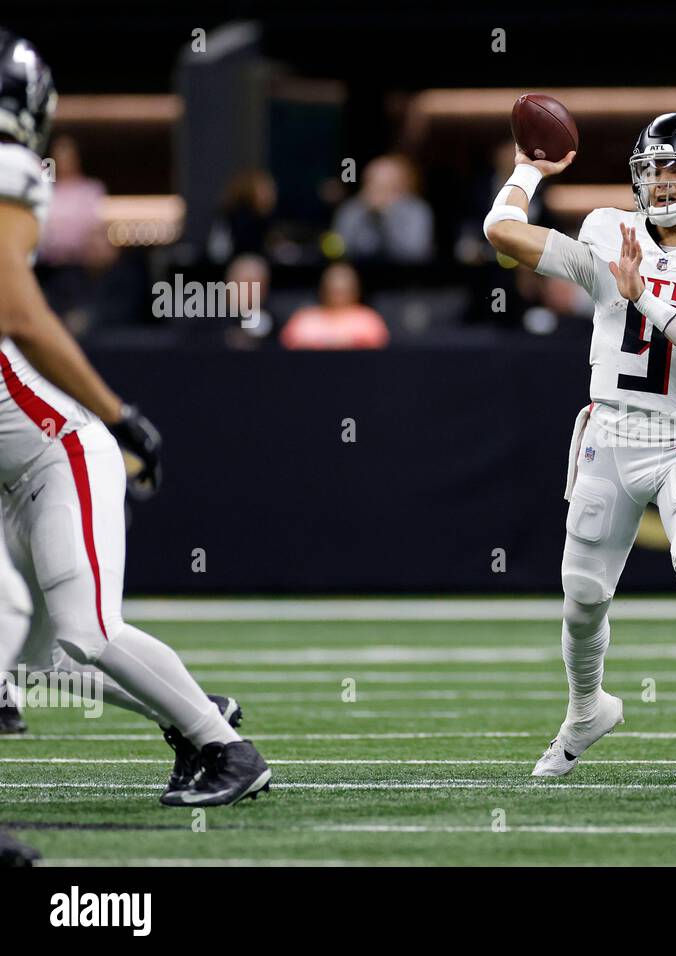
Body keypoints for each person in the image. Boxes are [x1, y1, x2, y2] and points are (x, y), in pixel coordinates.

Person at [0, 30, 270, 807]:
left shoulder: (12, 171)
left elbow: (21, 312)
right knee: (42, 664)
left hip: (55, 453)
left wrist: (118, 416)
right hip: (11, 472)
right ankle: (194, 712)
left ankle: (227, 751)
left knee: (86, 634)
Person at [483, 112, 676, 782]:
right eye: (652, 168)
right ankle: (587, 711)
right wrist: (531, 167)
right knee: (582, 600)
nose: (663, 181)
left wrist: (643, 297)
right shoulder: (609, 233)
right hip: (610, 435)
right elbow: (500, 233)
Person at [279, 262, 390, 350]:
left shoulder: (368, 319)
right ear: (323, 290)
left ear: (356, 291)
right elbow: (288, 348)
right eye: (333, 290)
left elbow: (378, 349)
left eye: (343, 290)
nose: (338, 295)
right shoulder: (304, 318)